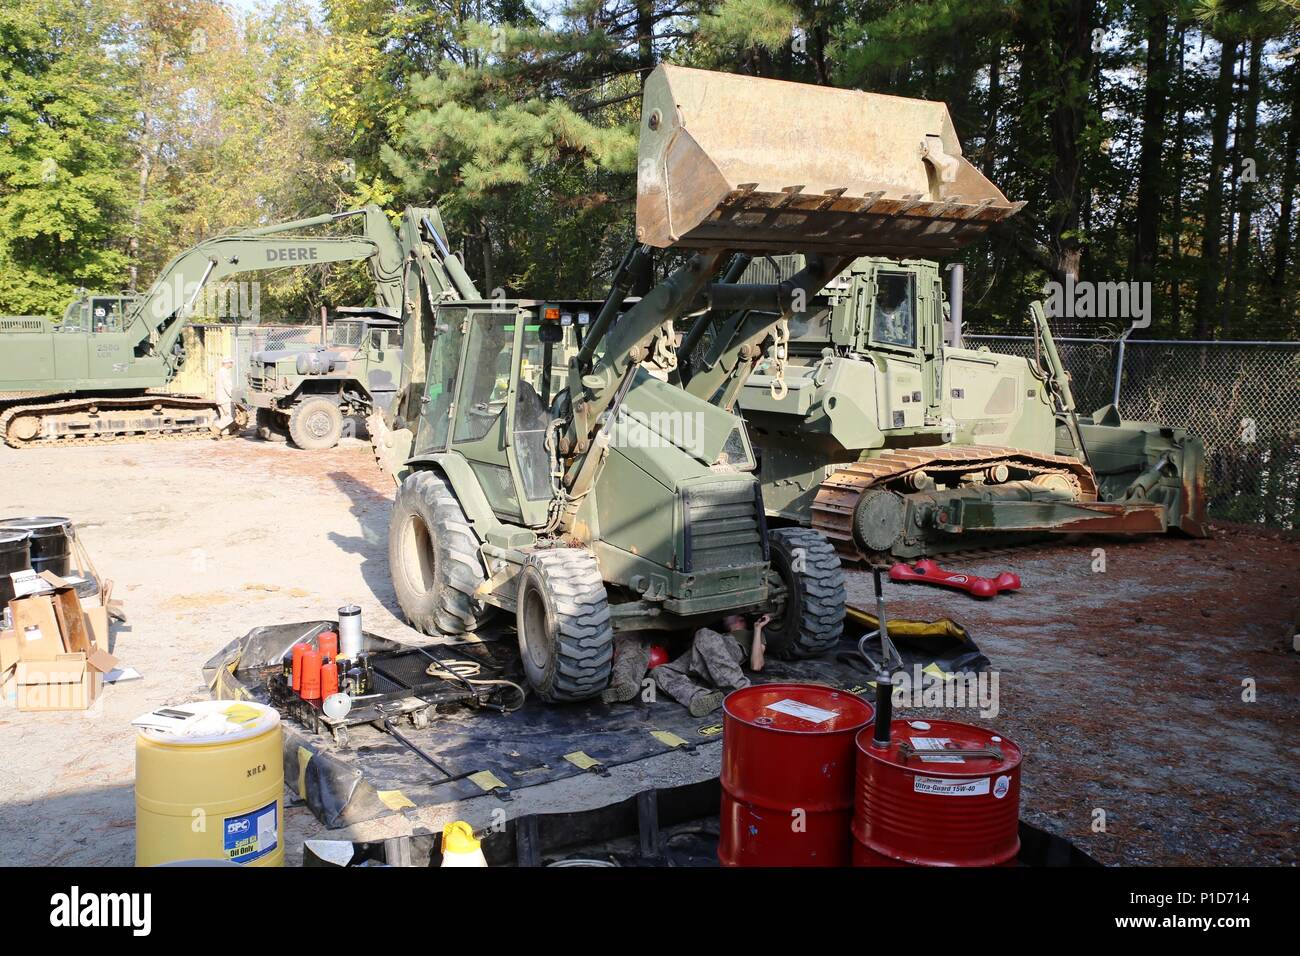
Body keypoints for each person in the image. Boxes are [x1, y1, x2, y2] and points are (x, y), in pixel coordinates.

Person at [602, 613, 771, 717]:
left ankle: (742, 692)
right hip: (698, 657)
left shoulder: (750, 634)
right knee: (659, 672)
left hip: (722, 655)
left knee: (704, 634)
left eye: (732, 615)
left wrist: (757, 629)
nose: (728, 617)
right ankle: (700, 697)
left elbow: (757, 664)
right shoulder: (717, 631)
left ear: (742, 619)